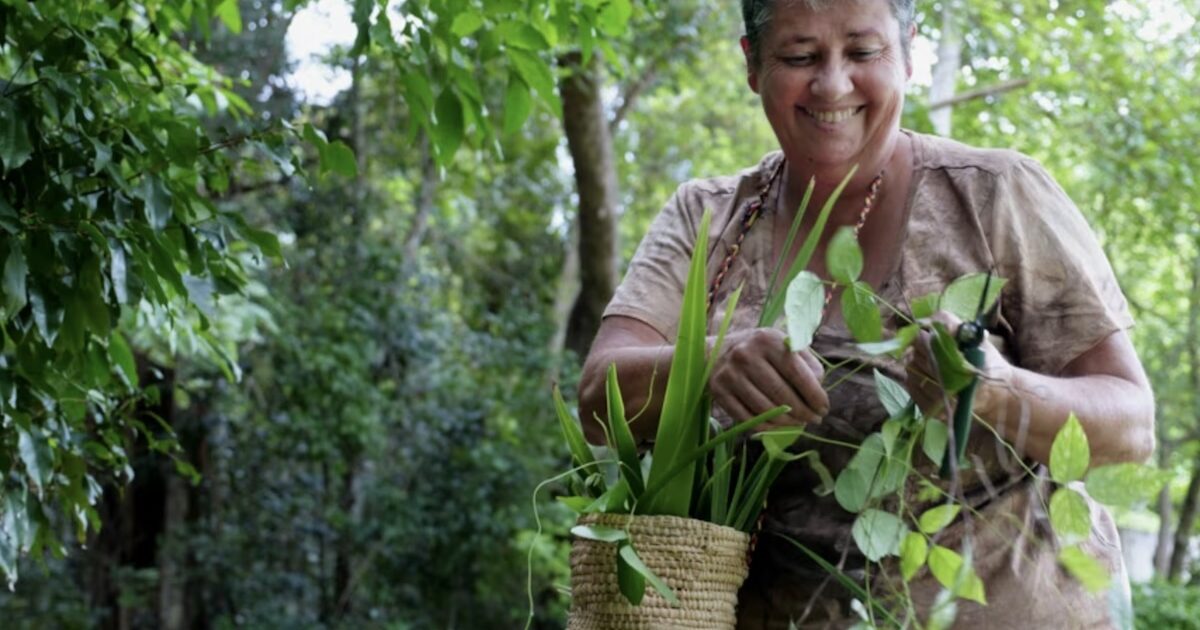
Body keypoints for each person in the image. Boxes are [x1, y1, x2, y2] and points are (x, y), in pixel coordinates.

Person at [577, 0, 1156, 627]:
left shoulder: (995, 195)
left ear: (907, 52)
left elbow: (1130, 429)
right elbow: (596, 405)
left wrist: (997, 392)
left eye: (862, 52)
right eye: (799, 56)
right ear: (752, 65)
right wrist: (709, 368)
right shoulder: (709, 219)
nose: (832, 84)